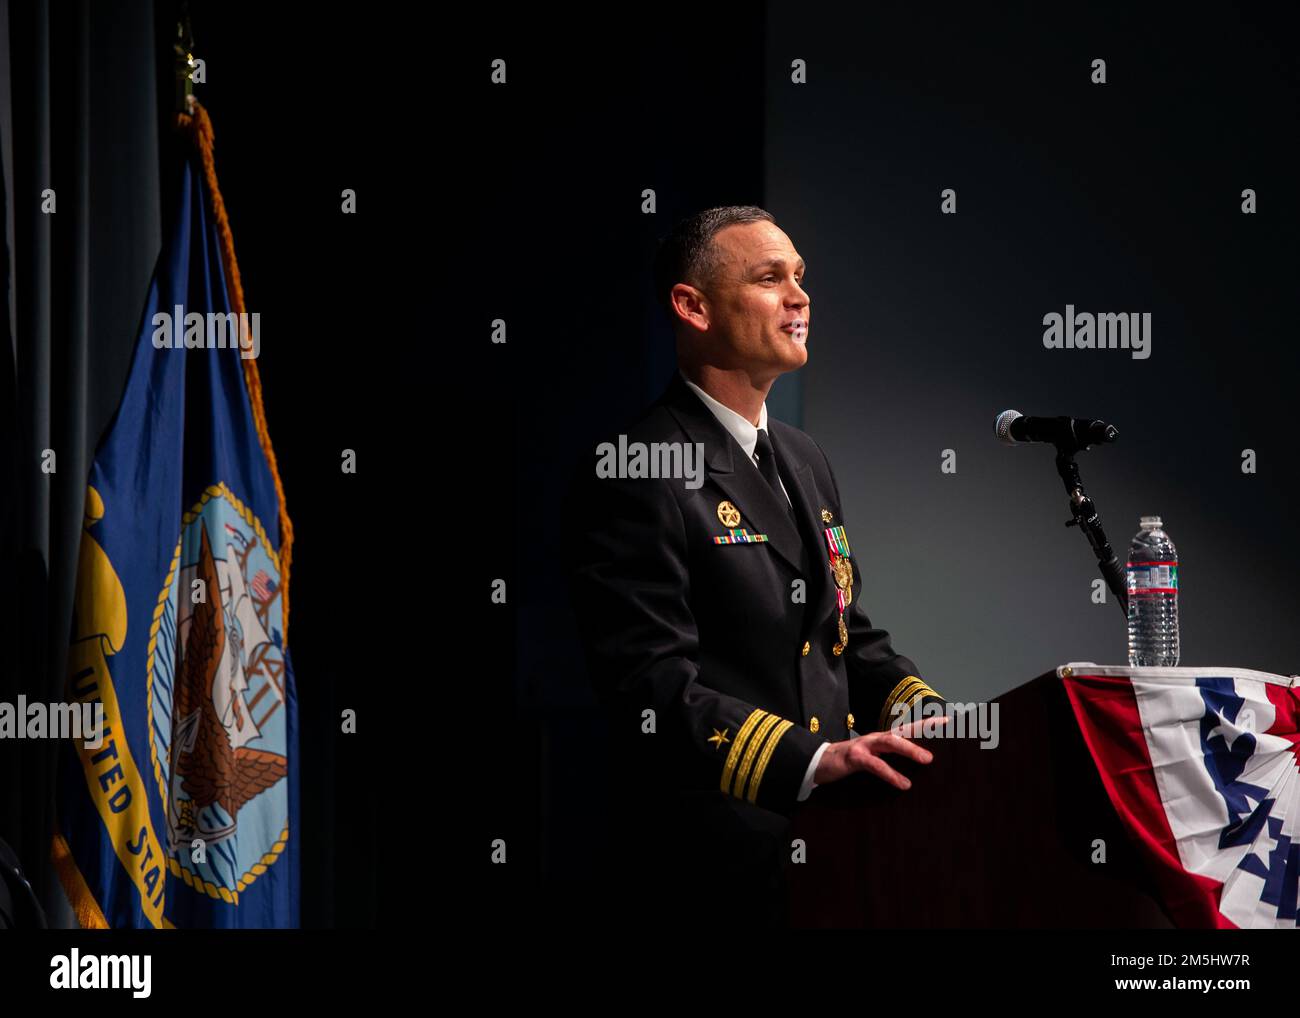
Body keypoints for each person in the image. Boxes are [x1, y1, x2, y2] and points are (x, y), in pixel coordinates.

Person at [563, 205, 944, 927]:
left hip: (836, 849)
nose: (799, 297)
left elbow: (845, 635)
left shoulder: (804, 457)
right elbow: (650, 686)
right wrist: (809, 761)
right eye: (771, 278)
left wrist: (929, 719)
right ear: (692, 306)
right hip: (712, 864)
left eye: (800, 277)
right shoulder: (635, 468)